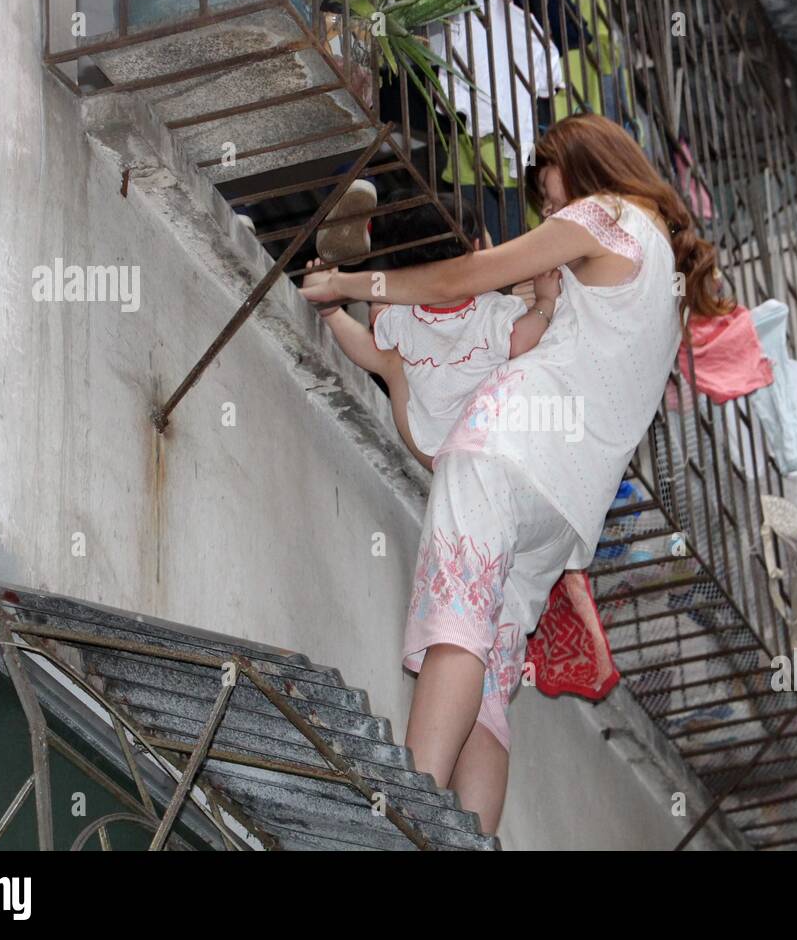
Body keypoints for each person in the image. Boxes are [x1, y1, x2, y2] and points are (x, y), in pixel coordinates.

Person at [301, 113, 730, 836]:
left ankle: (399, 826)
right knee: (492, 689)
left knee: (454, 630)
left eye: (552, 196)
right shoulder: (668, 282)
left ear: (587, 165)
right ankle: (461, 839)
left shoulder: (605, 217)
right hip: (565, 512)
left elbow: (466, 276)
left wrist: (354, 280)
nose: (552, 215)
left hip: (507, 449)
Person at [312, 190, 562, 471]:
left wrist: (388, 293)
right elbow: (520, 342)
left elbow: (377, 313)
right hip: (487, 441)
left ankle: (331, 311)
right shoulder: (494, 310)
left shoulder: (401, 315)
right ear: (478, 247)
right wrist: (545, 302)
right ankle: (331, 298)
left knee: (388, 358)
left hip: (432, 447)